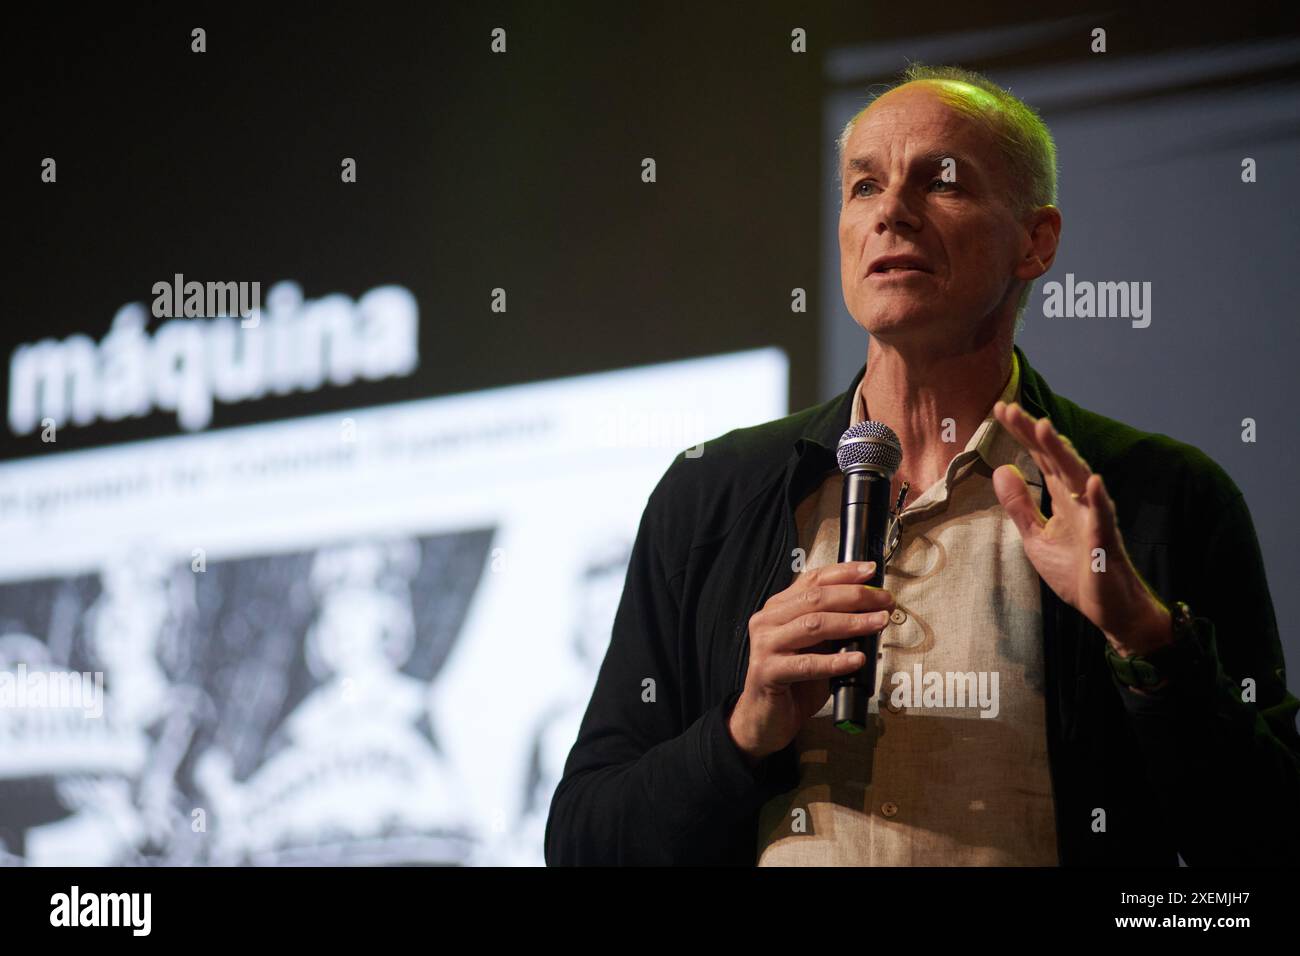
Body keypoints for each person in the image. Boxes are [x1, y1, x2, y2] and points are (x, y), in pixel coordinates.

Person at [544, 64, 1300, 866]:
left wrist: (1146, 641)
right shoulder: (710, 495)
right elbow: (587, 839)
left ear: (1035, 242)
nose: (892, 213)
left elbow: (1266, 846)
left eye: (940, 184)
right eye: (864, 187)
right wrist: (740, 731)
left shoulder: (1160, 500)